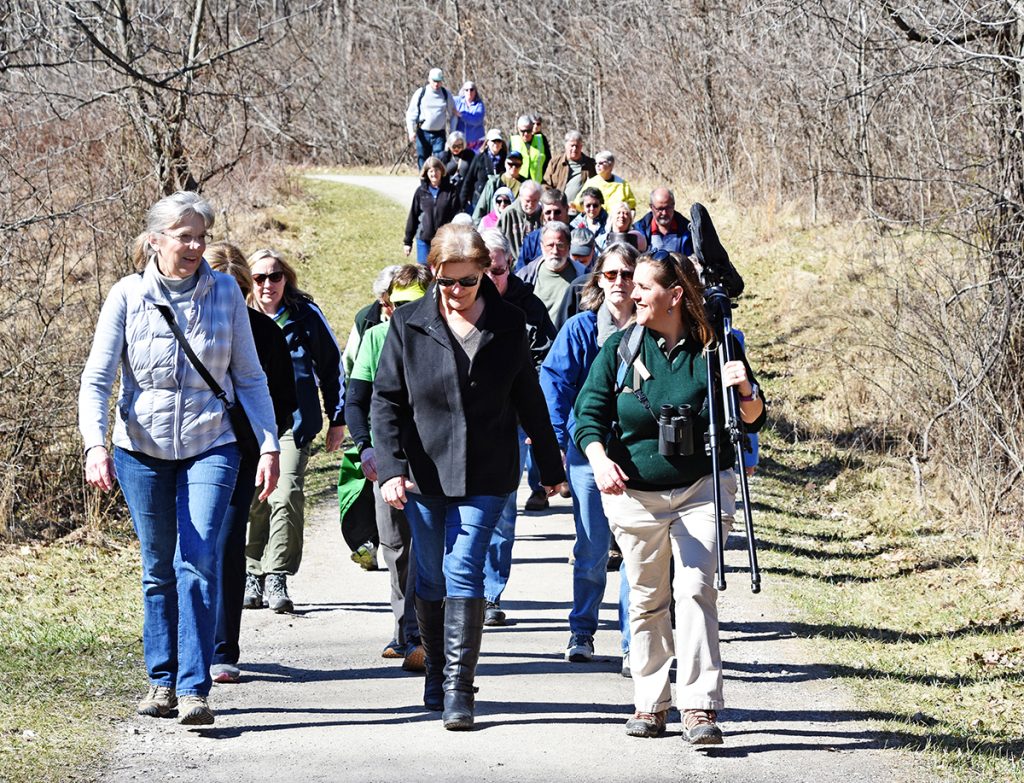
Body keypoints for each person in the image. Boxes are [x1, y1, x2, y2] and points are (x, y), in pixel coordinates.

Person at [79, 191, 281, 726]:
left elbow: (250, 377)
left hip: (211, 444)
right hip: (139, 450)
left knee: (198, 559)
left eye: (201, 236)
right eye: (184, 235)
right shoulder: (126, 296)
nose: (194, 246)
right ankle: (160, 681)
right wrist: (95, 443)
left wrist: (268, 443)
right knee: (156, 567)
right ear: (155, 240)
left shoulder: (226, 296)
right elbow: (97, 380)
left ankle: (194, 689)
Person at [371, 223, 566, 731]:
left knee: (464, 570)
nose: (457, 293)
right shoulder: (409, 323)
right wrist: (390, 467)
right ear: (434, 274)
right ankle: (435, 671)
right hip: (423, 472)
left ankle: (460, 687)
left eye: (467, 282)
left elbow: (530, 400)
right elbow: (386, 401)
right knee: (430, 575)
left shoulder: (509, 323)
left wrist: (551, 468)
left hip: (487, 472)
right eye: (447, 283)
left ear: (486, 274)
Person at [572, 250, 766, 744]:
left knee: (696, 589)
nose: (632, 294)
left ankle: (699, 706)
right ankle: (651, 701)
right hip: (635, 496)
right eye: (632, 285)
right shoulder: (621, 347)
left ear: (675, 295)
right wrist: (598, 459)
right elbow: (586, 415)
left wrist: (745, 391)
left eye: (643, 286)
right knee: (646, 598)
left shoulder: (716, 348)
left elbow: (754, 418)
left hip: (702, 487)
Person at [540, 243, 638, 668]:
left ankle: (635, 645)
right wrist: (561, 444)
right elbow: (555, 384)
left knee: (637, 553)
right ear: (599, 279)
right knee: (593, 548)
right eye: (611, 274)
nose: (619, 282)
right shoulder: (581, 330)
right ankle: (582, 631)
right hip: (587, 457)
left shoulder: (654, 329)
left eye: (627, 274)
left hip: (639, 457)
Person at [205, 242, 297, 684]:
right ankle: (191, 643)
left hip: (240, 452)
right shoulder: (189, 327)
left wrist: (262, 443)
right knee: (187, 548)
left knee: (225, 542)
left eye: (235, 287)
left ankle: (223, 647)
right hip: (183, 451)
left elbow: (283, 402)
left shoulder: (266, 333)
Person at [245, 248, 346, 614]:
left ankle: (277, 575)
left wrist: (338, 417)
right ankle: (251, 572)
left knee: (284, 493)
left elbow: (333, 365)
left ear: (286, 278)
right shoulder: (238, 315)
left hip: (293, 423)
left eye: (275, 276)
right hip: (249, 427)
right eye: (259, 278)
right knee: (255, 499)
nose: (268, 284)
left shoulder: (305, 316)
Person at [345, 265, 433, 671]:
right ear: (386, 305)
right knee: (396, 548)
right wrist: (365, 449)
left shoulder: (443, 336)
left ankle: (427, 636)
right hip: (388, 461)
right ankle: (405, 633)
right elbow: (357, 401)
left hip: (434, 461)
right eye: (399, 305)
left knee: (432, 547)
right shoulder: (376, 338)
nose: (406, 312)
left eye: (414, 304)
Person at [478, 228, 557, 625]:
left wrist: (531, 413)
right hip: (464, 423)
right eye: (484, 270)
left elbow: (547, 361)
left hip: (509, 423)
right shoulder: (457, 301)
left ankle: (490, 594)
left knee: (503, 511)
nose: (491, 278)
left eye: (497, 269)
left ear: (510, 265)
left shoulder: (529, 306)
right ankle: (460, 590)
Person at [516, 221, 587, 324]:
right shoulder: (525, 276)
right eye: (550, 245)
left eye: (560, 245)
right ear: (541, 246)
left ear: (569, 247)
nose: (555, 251)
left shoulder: (582, 277)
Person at [404, 156, 461, 264]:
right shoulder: (420, 192)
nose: (434, 174)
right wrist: (408, 242)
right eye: (431, 171)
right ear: (426, 173)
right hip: (424, 240)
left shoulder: (451, 191)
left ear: (442, 171)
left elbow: (456, 216)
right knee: (423, 272)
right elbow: (413, 216)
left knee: (442, 273)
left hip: (444, 240)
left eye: (436, 170)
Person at [405, 67, 459, 168]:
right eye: (434, 81)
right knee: (423, 162)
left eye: (439, 81)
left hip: (439, 134)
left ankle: (435, 183)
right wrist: (411, 131)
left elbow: (453, 114)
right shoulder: (421, 93)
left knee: (439, 161)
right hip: (423, 133)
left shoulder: (445, 94)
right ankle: (424, 182)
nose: (436, 84)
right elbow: (411, 114)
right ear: (429, 79)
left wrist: (452, 131)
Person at [515, 188, 571, 271]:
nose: (552, 217)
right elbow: (520, 272)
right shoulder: (531, 240)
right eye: (548, 212)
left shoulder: (576, 237)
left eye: (557, 212)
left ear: (566, 210)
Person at [543, 130, 597, 207]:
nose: (574, 149)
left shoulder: (590, 164)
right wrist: (552, 202)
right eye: (572, 145)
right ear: (566, 145)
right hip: (558, 208)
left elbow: (597, 185)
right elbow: (545, 185)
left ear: (581, 146)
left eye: (577, 146)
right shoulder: (555, 163)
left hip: (581, 209)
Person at [632, 188, 693, 255]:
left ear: (673, 205)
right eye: (660, 209)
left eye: (668, 208)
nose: (664, 213)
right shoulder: (638, 232)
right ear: (651, 207)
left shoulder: (689, 232)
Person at [472, 150, 526, 223]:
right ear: (505, 164)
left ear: (521, 166)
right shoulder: (493, 183)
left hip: (515, 225)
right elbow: (480, 209)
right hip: (493, 225)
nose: (514, 167)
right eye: (510, 164)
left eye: (517, 165)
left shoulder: (525, 185)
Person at [461, 128, 506, 213]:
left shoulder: (506, 160)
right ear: (488, 142)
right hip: (479, 200)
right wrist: (463, 202)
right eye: (493, 141)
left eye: (498, 141)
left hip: (500, 203)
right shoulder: (479, 158)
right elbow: (469, 180)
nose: (496, 144)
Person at [498, 179, 543, 259]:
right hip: (514, 264)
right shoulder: (508, 213)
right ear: (520, 197)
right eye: (527, 201)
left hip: (536, 263)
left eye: (534, 200)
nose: (530, 204)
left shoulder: (543, 213)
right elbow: (498, 239)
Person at [510, 113, 547, 182]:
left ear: (532, 128)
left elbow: (548, 162)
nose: (526, 134)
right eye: (523, 131)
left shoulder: (541, 140)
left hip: (537, 184)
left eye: (528, 131)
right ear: (518, 129)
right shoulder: (513, 141)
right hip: (518, 183)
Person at [453, 81, 486, 152]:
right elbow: (446, 100)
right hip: (461, 141)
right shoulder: (457, 101)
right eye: (466, 90)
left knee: (476, 162)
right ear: (463, 91)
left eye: (471, 89)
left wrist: (461, 115)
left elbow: (477, 120)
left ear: (475, 91)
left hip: (477, 141)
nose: (469, 92)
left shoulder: (479, 104)